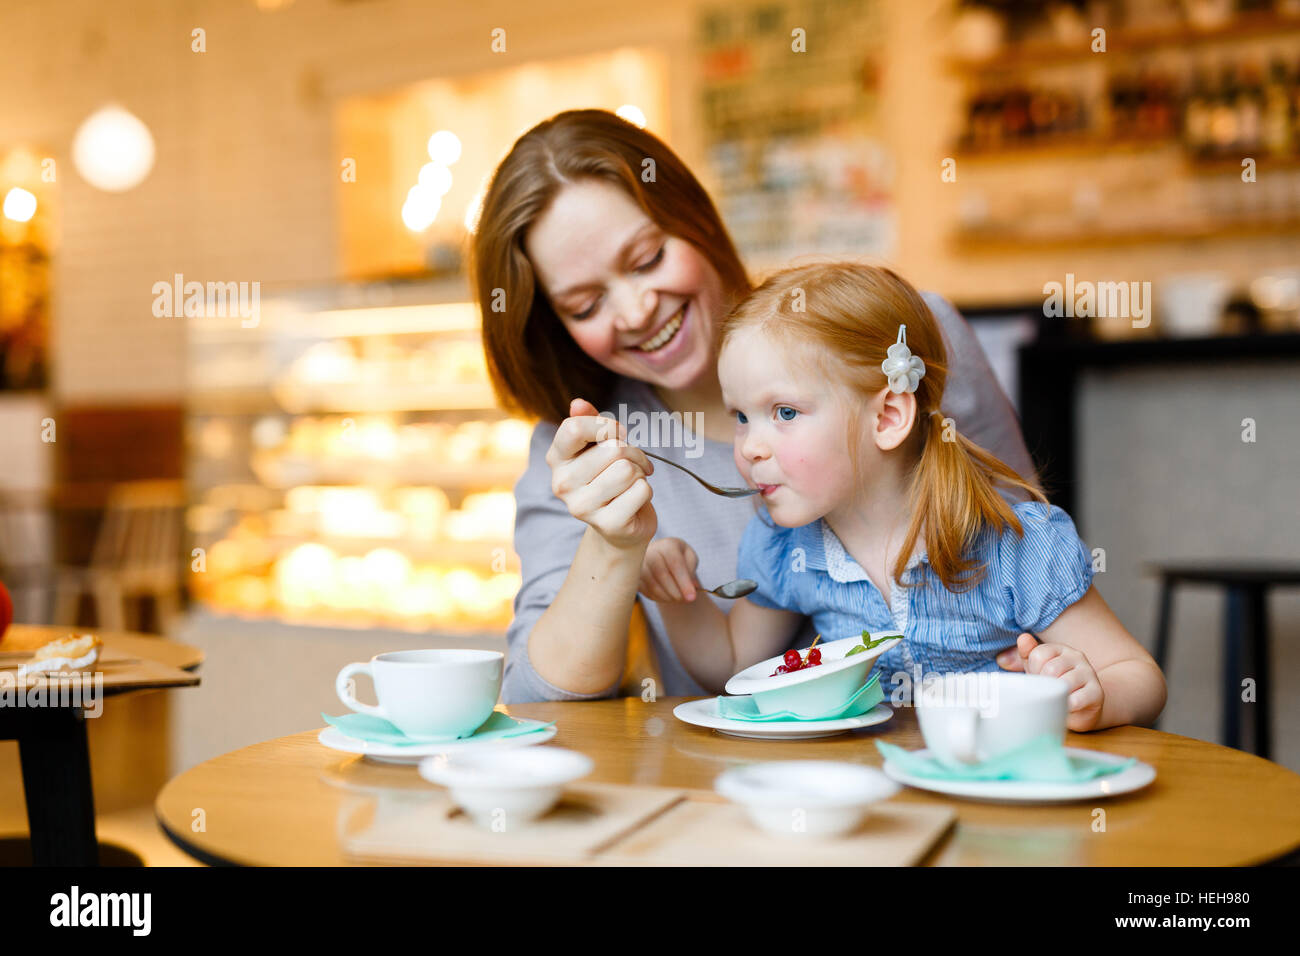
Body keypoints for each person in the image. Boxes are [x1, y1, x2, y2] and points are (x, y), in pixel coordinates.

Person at [471, 108, 1037, 704]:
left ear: (695, 220)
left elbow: (1032, 555)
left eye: (647, 260)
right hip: (738, 785)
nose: (636, 311)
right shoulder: (585, 449)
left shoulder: (902, 343)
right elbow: (538, 698)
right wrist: (613, 545)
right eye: (585, 306)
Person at [640, 261, 1166, 730]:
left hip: (998, 795)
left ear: (888, 417)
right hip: (876, 802)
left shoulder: (1014, 544)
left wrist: (1091, 696)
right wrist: (677, 599)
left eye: (784, 413)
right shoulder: (785, 547)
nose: (750, 447)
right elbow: (733, 666)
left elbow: (1138, 676)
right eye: (740, 416)